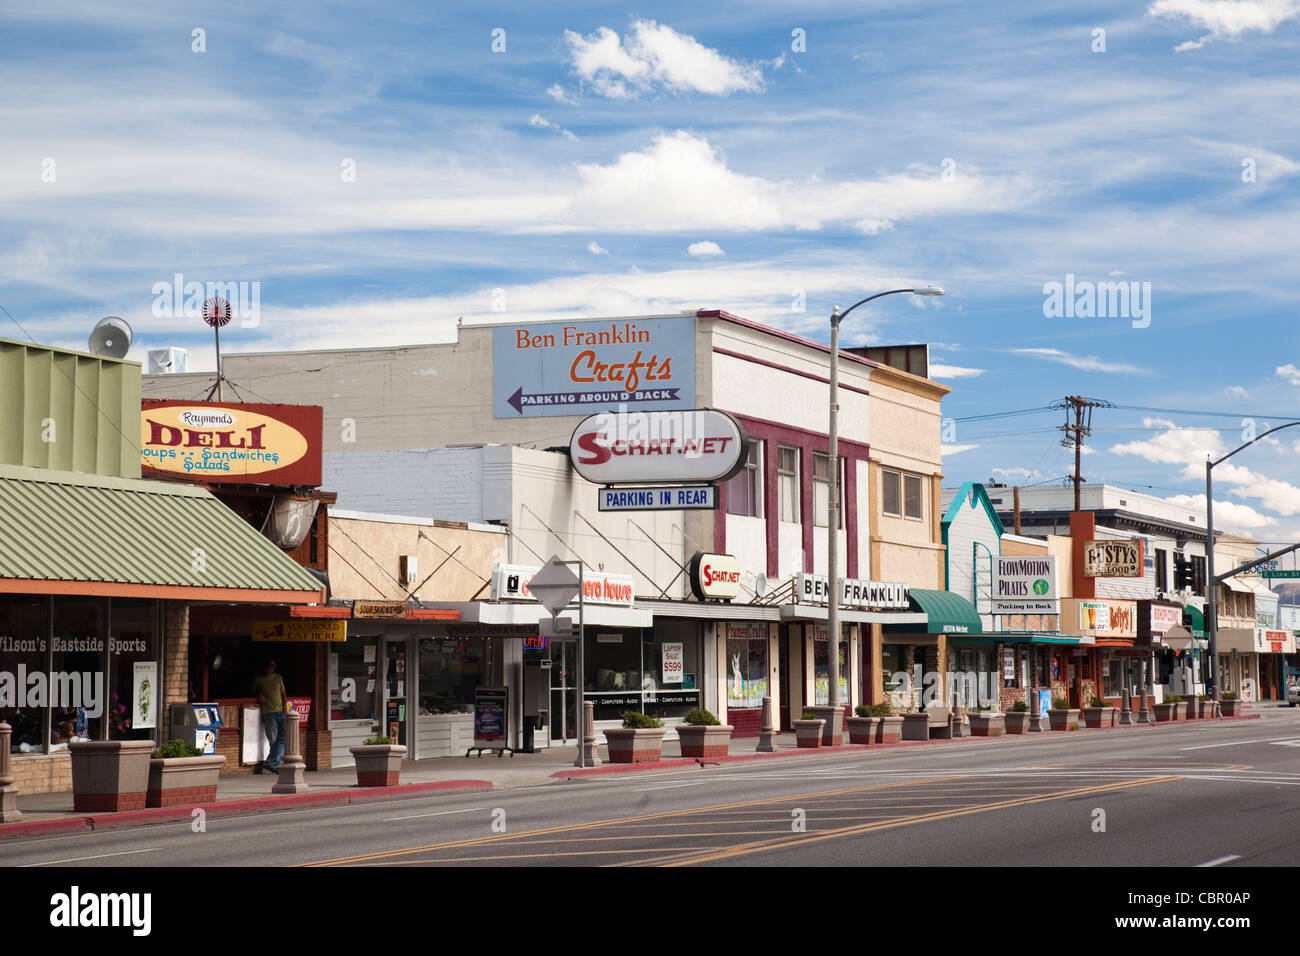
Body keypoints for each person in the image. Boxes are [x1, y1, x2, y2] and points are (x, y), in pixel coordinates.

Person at [253, 659, 288, 774]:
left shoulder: (278, 677)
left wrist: (285, 709)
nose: (270, 669)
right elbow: (253, 692)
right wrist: (258, 696)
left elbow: (283, 694)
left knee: (283, 737)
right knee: (273, 738)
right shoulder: (259, 679)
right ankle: (274, 763)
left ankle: (272, 762)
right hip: (268, 712)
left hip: (280, 711)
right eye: (268, 667)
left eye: (272, 667)